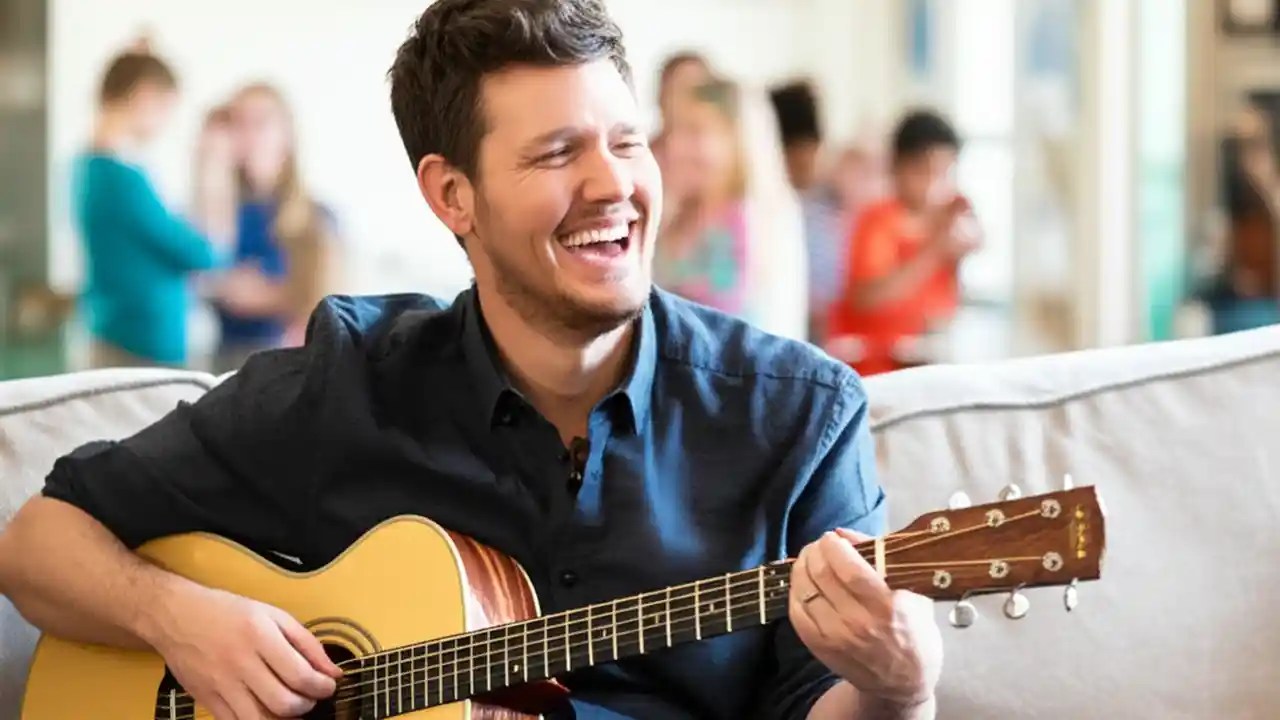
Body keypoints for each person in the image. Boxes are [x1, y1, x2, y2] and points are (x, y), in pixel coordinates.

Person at [0, 2, 942, 719]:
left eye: (625, 141)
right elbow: (38, 545)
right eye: (557, 154)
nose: (613, 184)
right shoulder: (347, 382)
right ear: (453, 194)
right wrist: (184, 622)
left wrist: (897, 688)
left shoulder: (798, 415)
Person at [72, 47, 227, 367]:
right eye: (167, 109)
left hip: (116, 336)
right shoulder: (122, 180)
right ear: (144, 96)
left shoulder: (87, 168)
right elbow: (204, 254)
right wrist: (214, 168)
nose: (166, 125)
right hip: (139, 349)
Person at [826, 110, 981, 376]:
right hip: (871, 366)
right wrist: (935, 249)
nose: (933, 185)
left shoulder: (946, 218)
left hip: (926, 360)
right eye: (923, 171)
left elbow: (946, 305)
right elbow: (867, 297)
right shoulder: (877, 221)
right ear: (896, 166)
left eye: (944, 174)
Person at [205, 83, 342, 372]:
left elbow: (332, 306)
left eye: (261, 123)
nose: (248, 135)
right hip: (225, 368)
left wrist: (269, 295)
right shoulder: (218, 212)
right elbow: (201, 276)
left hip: (291, 369)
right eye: (238, 123)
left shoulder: (317, 218)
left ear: (287, 135)